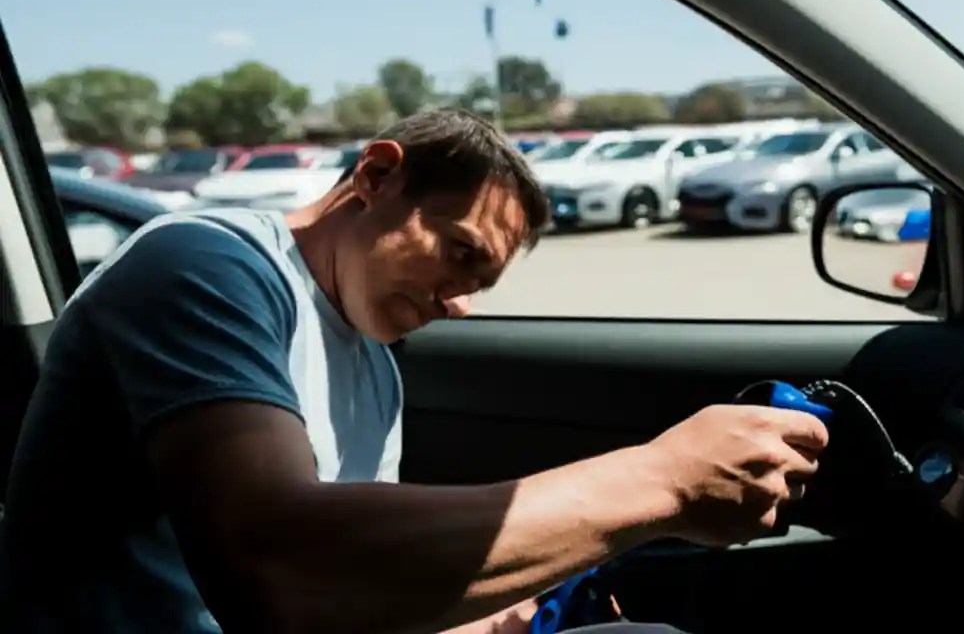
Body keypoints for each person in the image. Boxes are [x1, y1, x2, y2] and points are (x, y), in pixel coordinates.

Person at [0, 108, 828, 633]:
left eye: (481, 284)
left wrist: (484, 607)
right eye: (458, 254)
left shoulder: (375, 366)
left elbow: (358, 582)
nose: (459, 301)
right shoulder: (206, 265)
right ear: (376, 175)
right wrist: (664, 482)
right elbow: (281, 574)